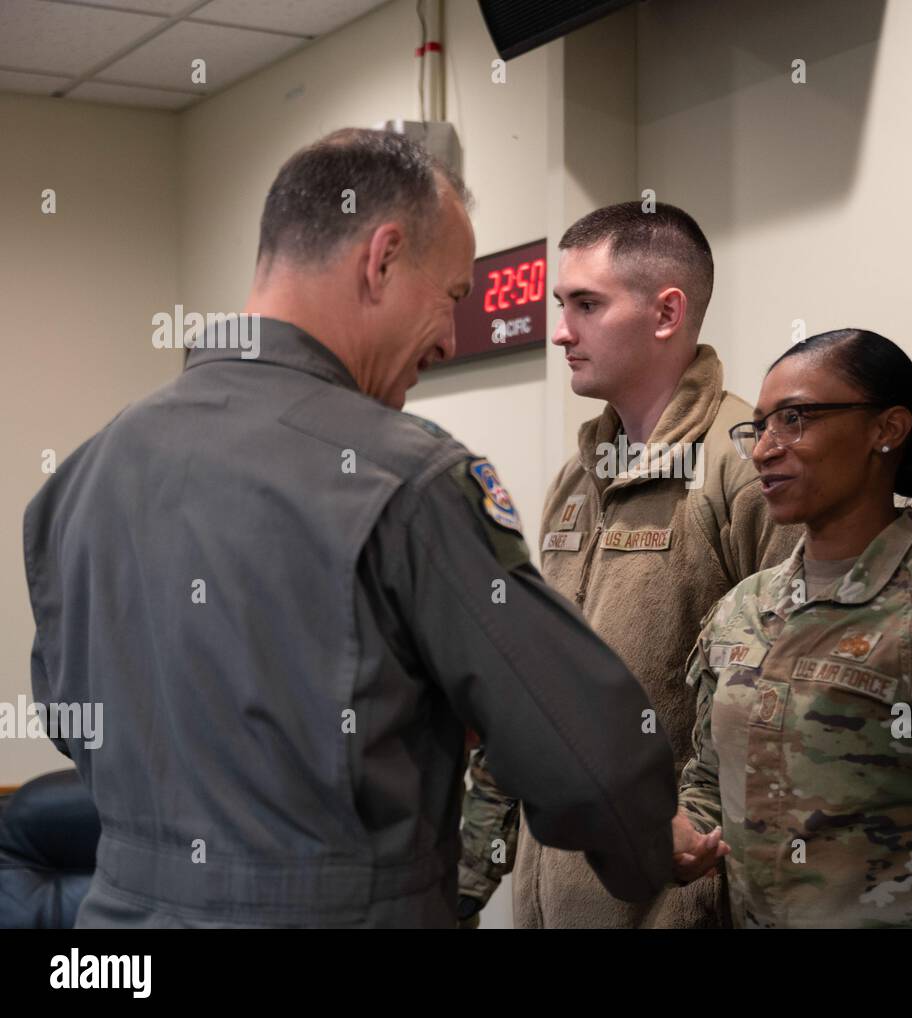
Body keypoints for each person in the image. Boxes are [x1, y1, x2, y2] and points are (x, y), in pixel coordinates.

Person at [24, 128, 677, 928]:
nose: (448, 338)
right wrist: (651, 848)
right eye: (453, 298)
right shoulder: (405, 477)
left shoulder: (81, 476)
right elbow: (586, 757)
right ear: (382, 258)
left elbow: (69, 718)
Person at [459, 202, 798, 928]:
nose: (560, 331)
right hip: (555, 902)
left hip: (681, 903)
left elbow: (789, 700)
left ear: (667, 313)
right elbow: (532, 691)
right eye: (560, 305)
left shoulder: (746, 468)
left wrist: (697, 841)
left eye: (586, 304)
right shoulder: (575, 481)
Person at [673, 329, 912, 927]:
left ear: (886, 430)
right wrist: (686, 834)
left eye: (794, 419)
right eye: (758, 428)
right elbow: (710, 780)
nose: (764, 449)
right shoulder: (742, 610)